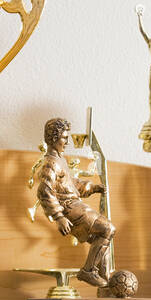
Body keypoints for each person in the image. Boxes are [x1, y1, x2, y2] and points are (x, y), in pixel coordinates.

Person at [35, 117, 115, 288]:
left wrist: (93, 188)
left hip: (75, 205)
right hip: (70, 209)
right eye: (64, 137)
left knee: (101, 241)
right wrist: (59, 217)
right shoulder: (51, 163)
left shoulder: (60, 160)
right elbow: (44, 190)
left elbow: (70, 185)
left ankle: (104, 278)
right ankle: (88, 271)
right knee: (108, 229)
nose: (67, 141)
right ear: (54, 138)